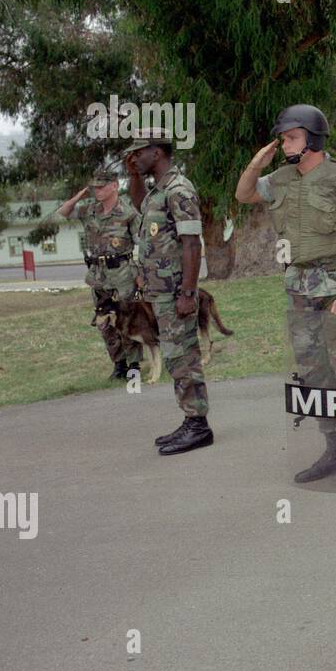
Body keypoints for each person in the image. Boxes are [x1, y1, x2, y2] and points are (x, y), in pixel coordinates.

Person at [235, 104, 336, 487]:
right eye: (282, 138)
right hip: (299, 287)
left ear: (312, 139)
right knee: (314, 371)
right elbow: (244, 194)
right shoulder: (280, 179)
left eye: (292, 138)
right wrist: (257, 163)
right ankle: (333, 448)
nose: (284, 144)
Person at [123, 138, 213, 456]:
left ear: (157, 152)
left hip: (176, 293)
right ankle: (191, 419)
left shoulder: (178, 189)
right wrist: (133, 175)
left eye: (139, 153)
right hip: (161, 294)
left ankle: (198, 426)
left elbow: (192, 243)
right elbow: (139, 205)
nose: (134, 158)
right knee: (176, 358)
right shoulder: (158, 191)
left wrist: (188, 293)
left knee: (183, 357)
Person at [57, 167, 141, 380]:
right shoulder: (89, 211)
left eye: (102, 187)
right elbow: (63, 212)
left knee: (127, 319)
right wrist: (79, 196)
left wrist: (143, 273)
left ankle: (134, 365)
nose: (97, 191)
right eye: (95, 187)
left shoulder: (128, 213)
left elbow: (144, 243)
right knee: (104, 322)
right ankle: (119, 364)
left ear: (114, 186)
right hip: (98, 276)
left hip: (122, 274)